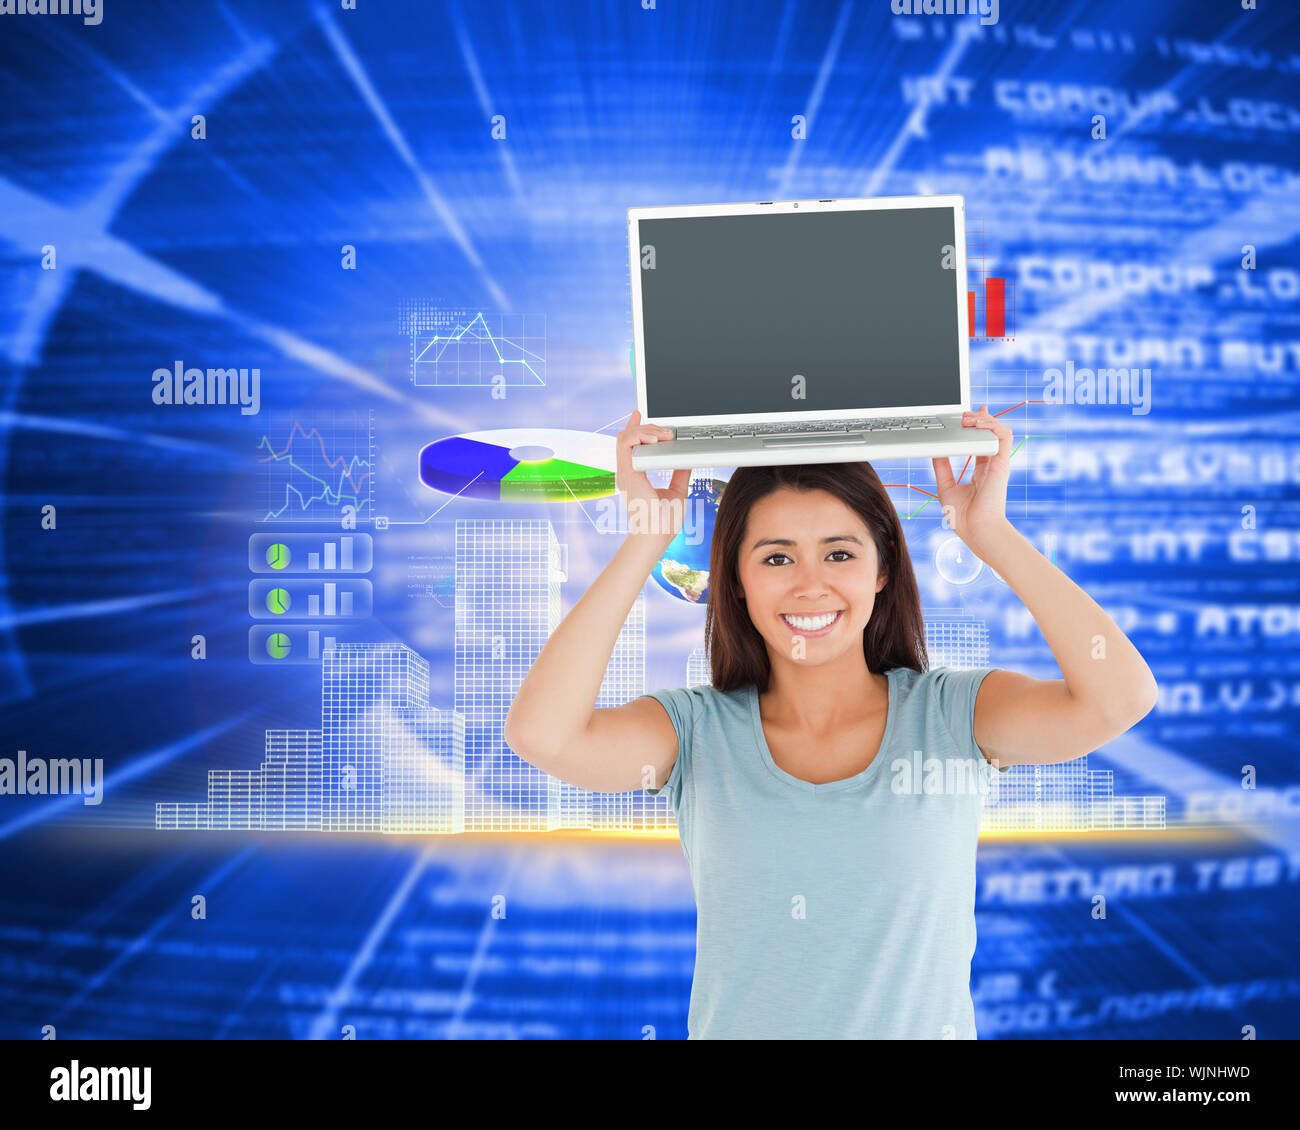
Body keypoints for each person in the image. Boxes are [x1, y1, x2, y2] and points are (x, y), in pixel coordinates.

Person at [505, 406, 1158, 1039]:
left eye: (840, 555)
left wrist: (990, 532)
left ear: (882, 571)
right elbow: (543, 735)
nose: (810, 587)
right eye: (777, 558)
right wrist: (646, 538)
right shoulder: (695, 733)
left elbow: (1119, 698)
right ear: (735, 580)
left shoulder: (953, 716)